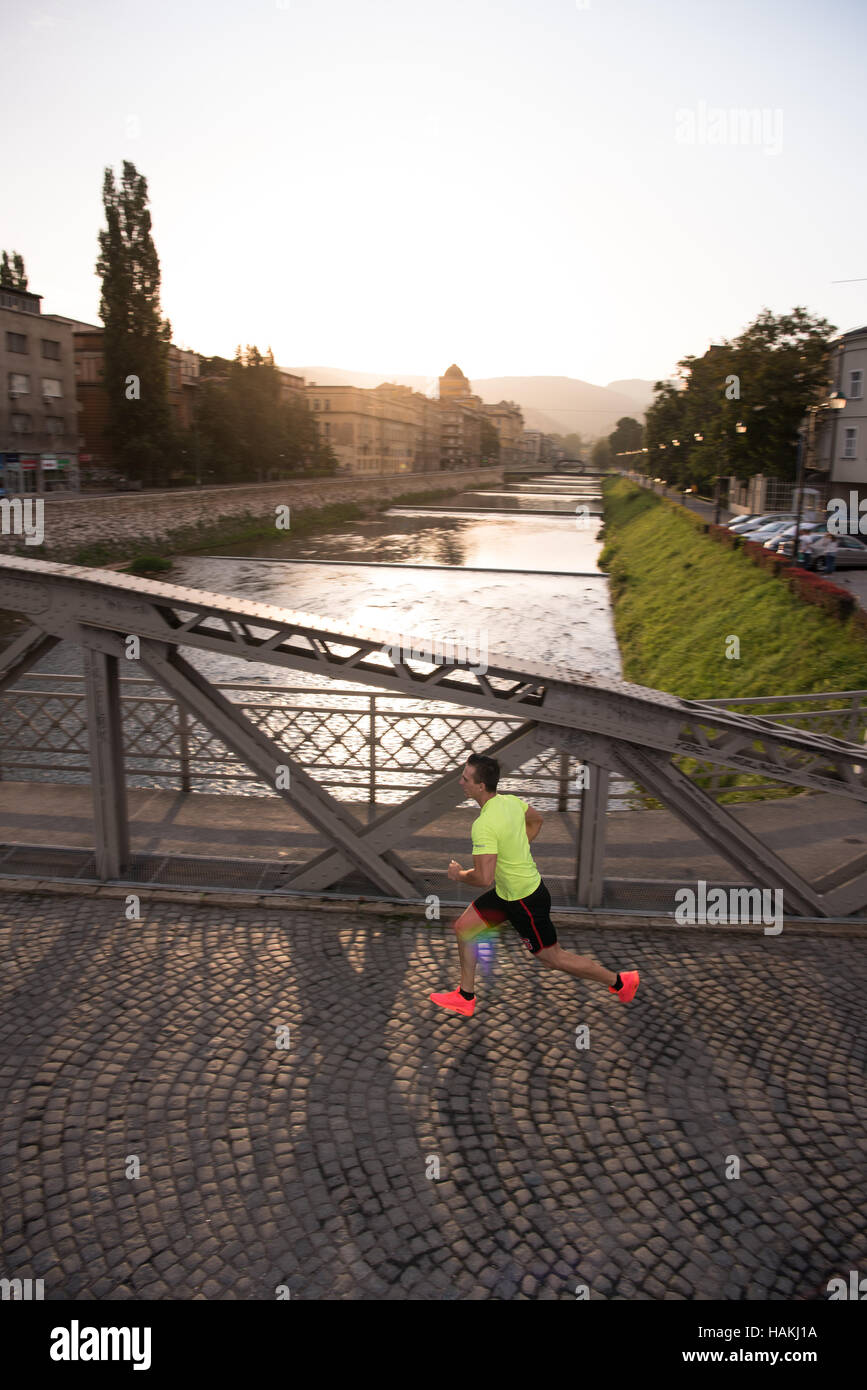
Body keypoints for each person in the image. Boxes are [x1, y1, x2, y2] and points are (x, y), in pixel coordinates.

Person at [429, 752, 640, 1016]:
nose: (461, 782)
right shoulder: (511, 802)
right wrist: (516, 849)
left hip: (525, 900)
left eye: (465, 778)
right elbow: (537, 820)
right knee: (464, 927)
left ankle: (621, 982)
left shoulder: (483, 825)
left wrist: (458, 875)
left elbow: (483, 878)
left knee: (553, 959)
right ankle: (465, 996)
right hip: (508, 894)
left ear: (480, 786)